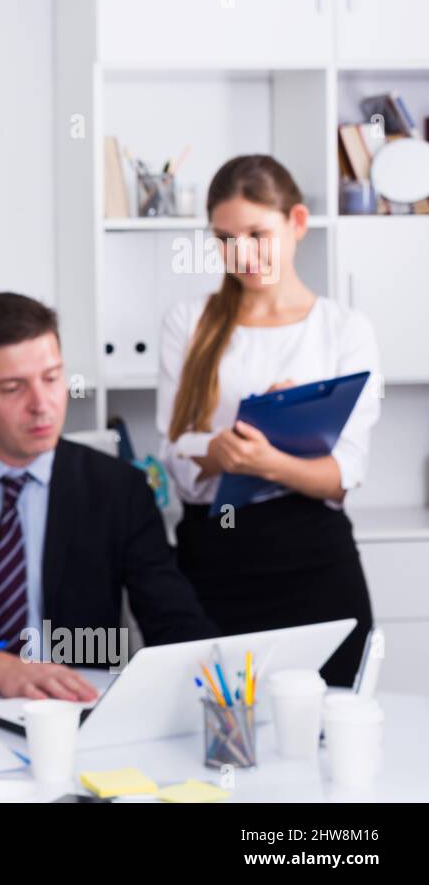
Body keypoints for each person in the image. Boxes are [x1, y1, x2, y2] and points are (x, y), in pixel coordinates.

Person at [0, 293, 218, 700]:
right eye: (13, 388)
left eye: (51, 379)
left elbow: (172, 618)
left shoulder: (118, 488)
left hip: (72, 699)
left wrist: (215, 672)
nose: (41, 405)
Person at [158, 154, 381, 687]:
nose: (242, 254)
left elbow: (341, 476)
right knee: (219, 728)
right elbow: (173, 452)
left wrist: (271, 459)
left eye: (258, 234)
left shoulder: (344, 329)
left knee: (330, 722)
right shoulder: (188, 322)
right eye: (225, 238)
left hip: (314, 560)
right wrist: (224, 448)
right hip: (215, 559)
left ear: (297, 223)